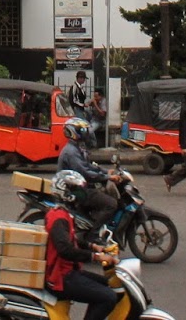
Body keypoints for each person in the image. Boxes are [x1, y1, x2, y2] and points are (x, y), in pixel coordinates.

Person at [44, 170, 121, 320]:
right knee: (108, 298)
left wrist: (93, 246)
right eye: (77, 190)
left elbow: (70, 240)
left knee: (108, 285)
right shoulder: (59, 218)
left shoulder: (61, 214)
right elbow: (65, 249)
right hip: (61, 278)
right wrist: (96, 257)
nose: (81, 194)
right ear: (66, 192)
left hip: (69, 272)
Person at [57, 118, 119, 231]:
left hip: (78, 187)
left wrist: (106, 172)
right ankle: (94, 233)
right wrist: (108, 177)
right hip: (77, 191)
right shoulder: (71, 152)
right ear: (73, 132)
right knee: (111, 204)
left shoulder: (76, 148)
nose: (86, 133)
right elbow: (86, 173)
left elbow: (89, 166)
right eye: (82, 130)